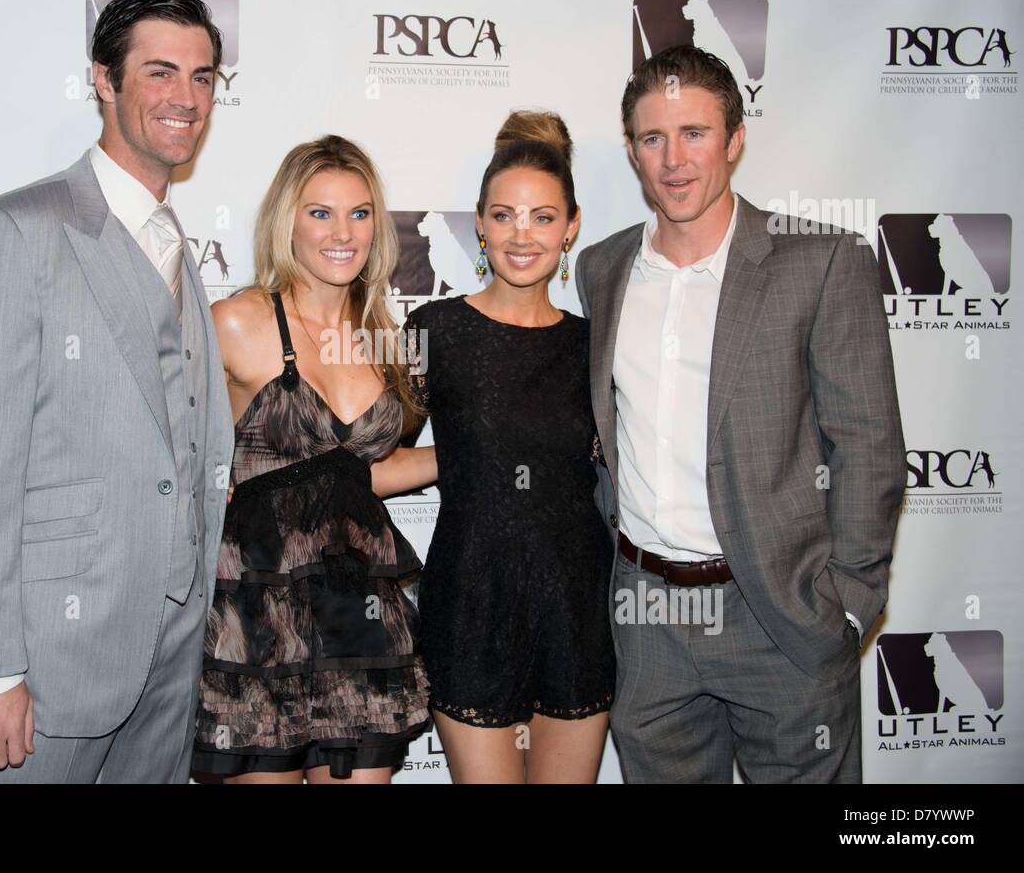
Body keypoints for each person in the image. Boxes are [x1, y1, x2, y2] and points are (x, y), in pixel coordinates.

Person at [0, 0, 233, 782]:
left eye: (202, 77)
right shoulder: (18, 231)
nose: (185, 98)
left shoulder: (172, 240)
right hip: (52, 656)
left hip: (172, 648)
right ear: (103, 79)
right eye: (160, 72)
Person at [575, 44, 905, 782]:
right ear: (631, 151)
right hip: (647, 619)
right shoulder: (602, 266)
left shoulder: (819, 260)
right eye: (653, 138)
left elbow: (869, 444)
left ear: (736, 138)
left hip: (779, 613)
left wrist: (847, 603)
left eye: (695, 132)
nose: (674, 159)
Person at [375, 111, 615, 783]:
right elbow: (376, 466)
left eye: (543, 217)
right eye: (505, 215)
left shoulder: (595, 344)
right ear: (479, 223)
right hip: (472, 607)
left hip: (577, 610)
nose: (521, 234)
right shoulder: (435, 330)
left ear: (571, 227)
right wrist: (467, 456)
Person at [192, 135, 431, 783]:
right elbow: (161, 447)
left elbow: (358, 476)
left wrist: (477, 453)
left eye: (359, 213)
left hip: (356, 617)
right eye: (320, 212)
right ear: (286, 222)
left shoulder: (382, 337)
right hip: (256, 622)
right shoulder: (236, 322)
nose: (342, 232)